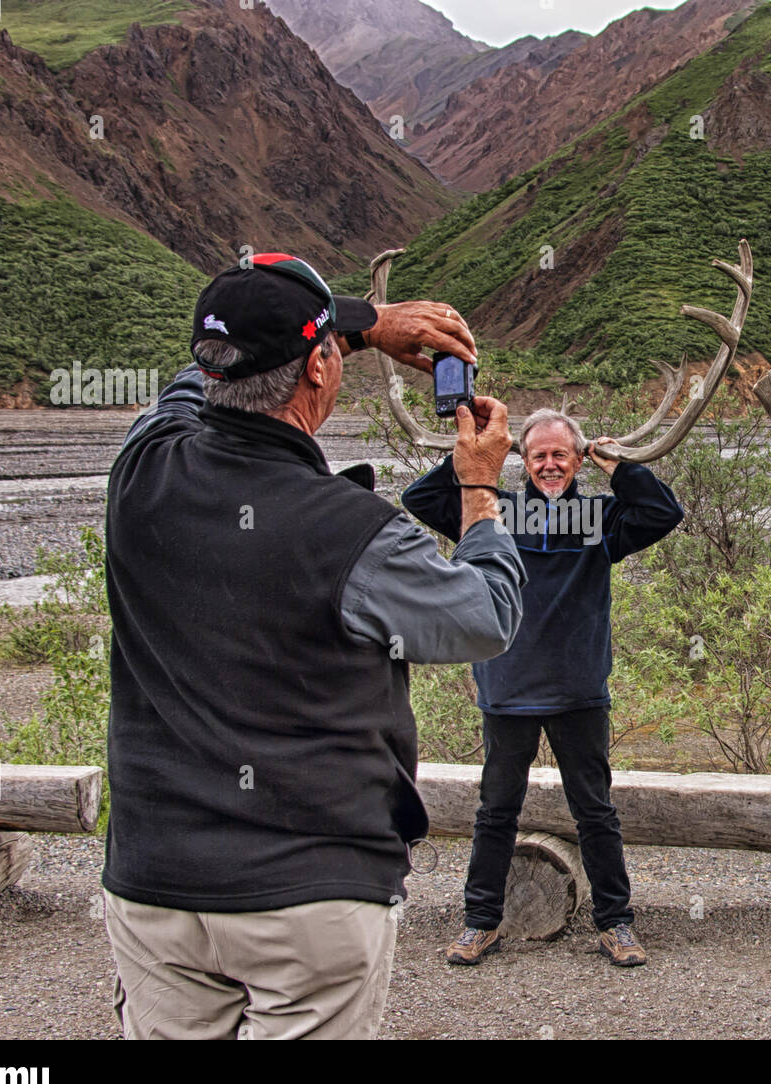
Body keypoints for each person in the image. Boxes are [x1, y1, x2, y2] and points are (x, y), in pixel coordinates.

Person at [101, 252, 527, 1039]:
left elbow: (193, 381)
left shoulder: (141, 468)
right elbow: (485, 616)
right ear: (321, 370)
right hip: (311, 892)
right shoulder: (356, 534)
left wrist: (359, 327)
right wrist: (477, 488)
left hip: (155, 883)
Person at [402, 409, 683, 967]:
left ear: (577, 459)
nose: (549, 465)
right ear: (522, 462)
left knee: (595, 812)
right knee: (495, 812)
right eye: (537, 456)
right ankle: (481, 923)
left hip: (579, 689)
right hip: (507, 687)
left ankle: (616, 923)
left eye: (560, 454)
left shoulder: (599, 517)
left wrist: (620, 468)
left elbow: (662, 512)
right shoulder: (494, 514)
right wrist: (474, 452)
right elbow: (421, 499)